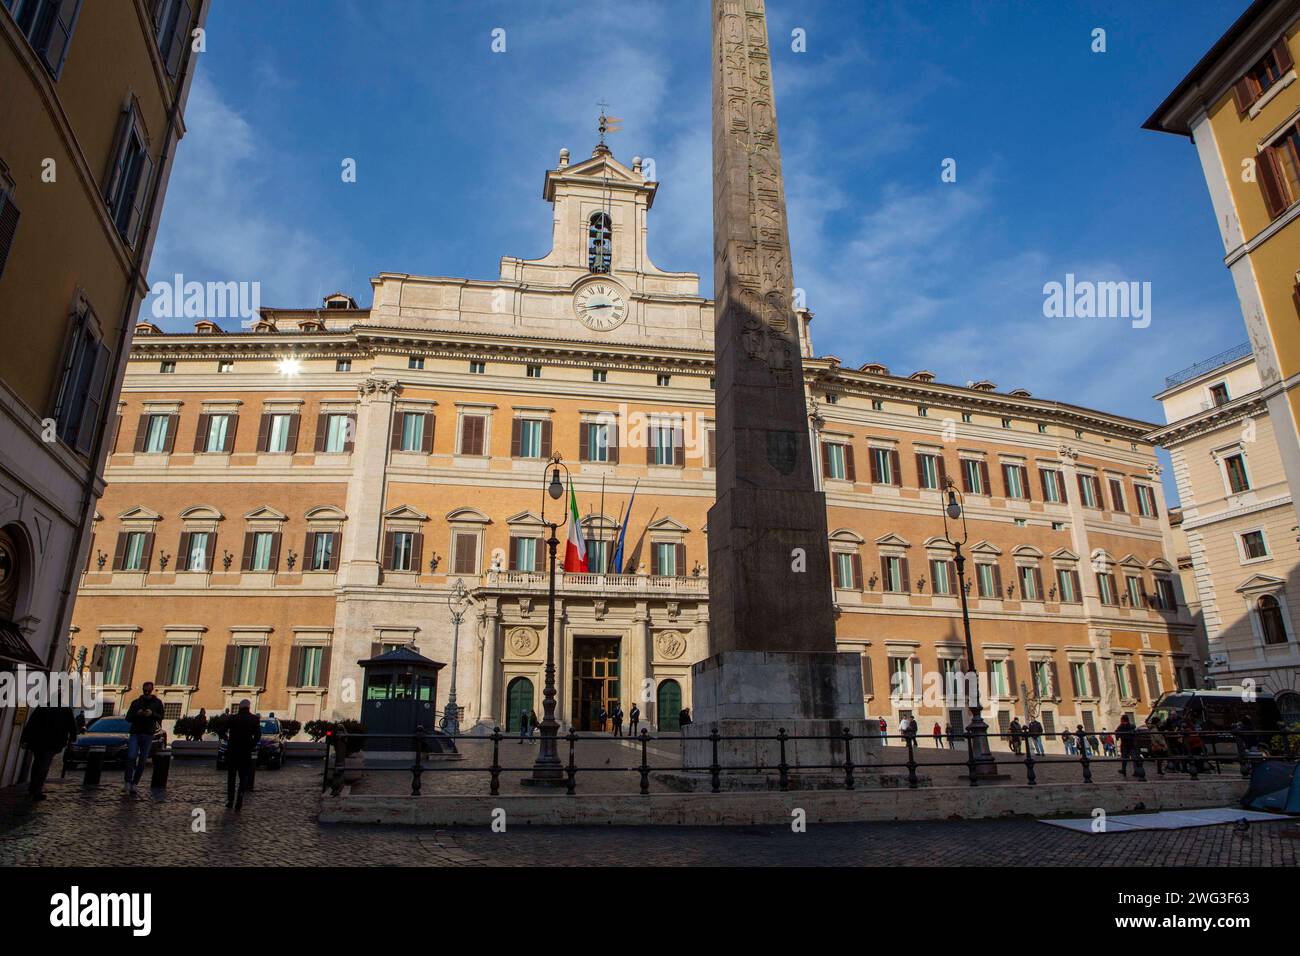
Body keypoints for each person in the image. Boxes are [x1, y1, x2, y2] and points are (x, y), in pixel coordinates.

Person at [19, 705, 79, 801]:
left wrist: (25, 738)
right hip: (53, 742)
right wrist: (72, 739)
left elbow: (31, 723)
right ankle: (37, 790)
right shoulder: (65, 709)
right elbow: (72, 726)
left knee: (37, 763)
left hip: (38, 741)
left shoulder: (42, 707)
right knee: (43, 765)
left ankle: (33, 787)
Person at [123, 681, 164, 794]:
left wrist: (152, 714)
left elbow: (161, 716)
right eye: (145, 690)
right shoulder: (136, 703)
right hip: (135, 732)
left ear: (152, 690)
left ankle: (134, 783)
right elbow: (128, 718)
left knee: (142, 760)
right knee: (131, 757)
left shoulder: (157, 702)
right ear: (143, 690)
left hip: (148, 734)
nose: (146, 692)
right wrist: (138, 713)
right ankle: (127, 781)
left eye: (148, 690)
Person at [224, 699, 261, 811]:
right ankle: (240, 798)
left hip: (233, 751)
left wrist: (227, 739)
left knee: (231, 777)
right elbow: (258, 735)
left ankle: (230, 800)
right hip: (245, 752)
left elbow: (222, 730)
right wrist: (252, 744)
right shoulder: (254, 719)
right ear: (249, 707)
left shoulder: (233, 718)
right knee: (243, 776)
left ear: (240, 707)